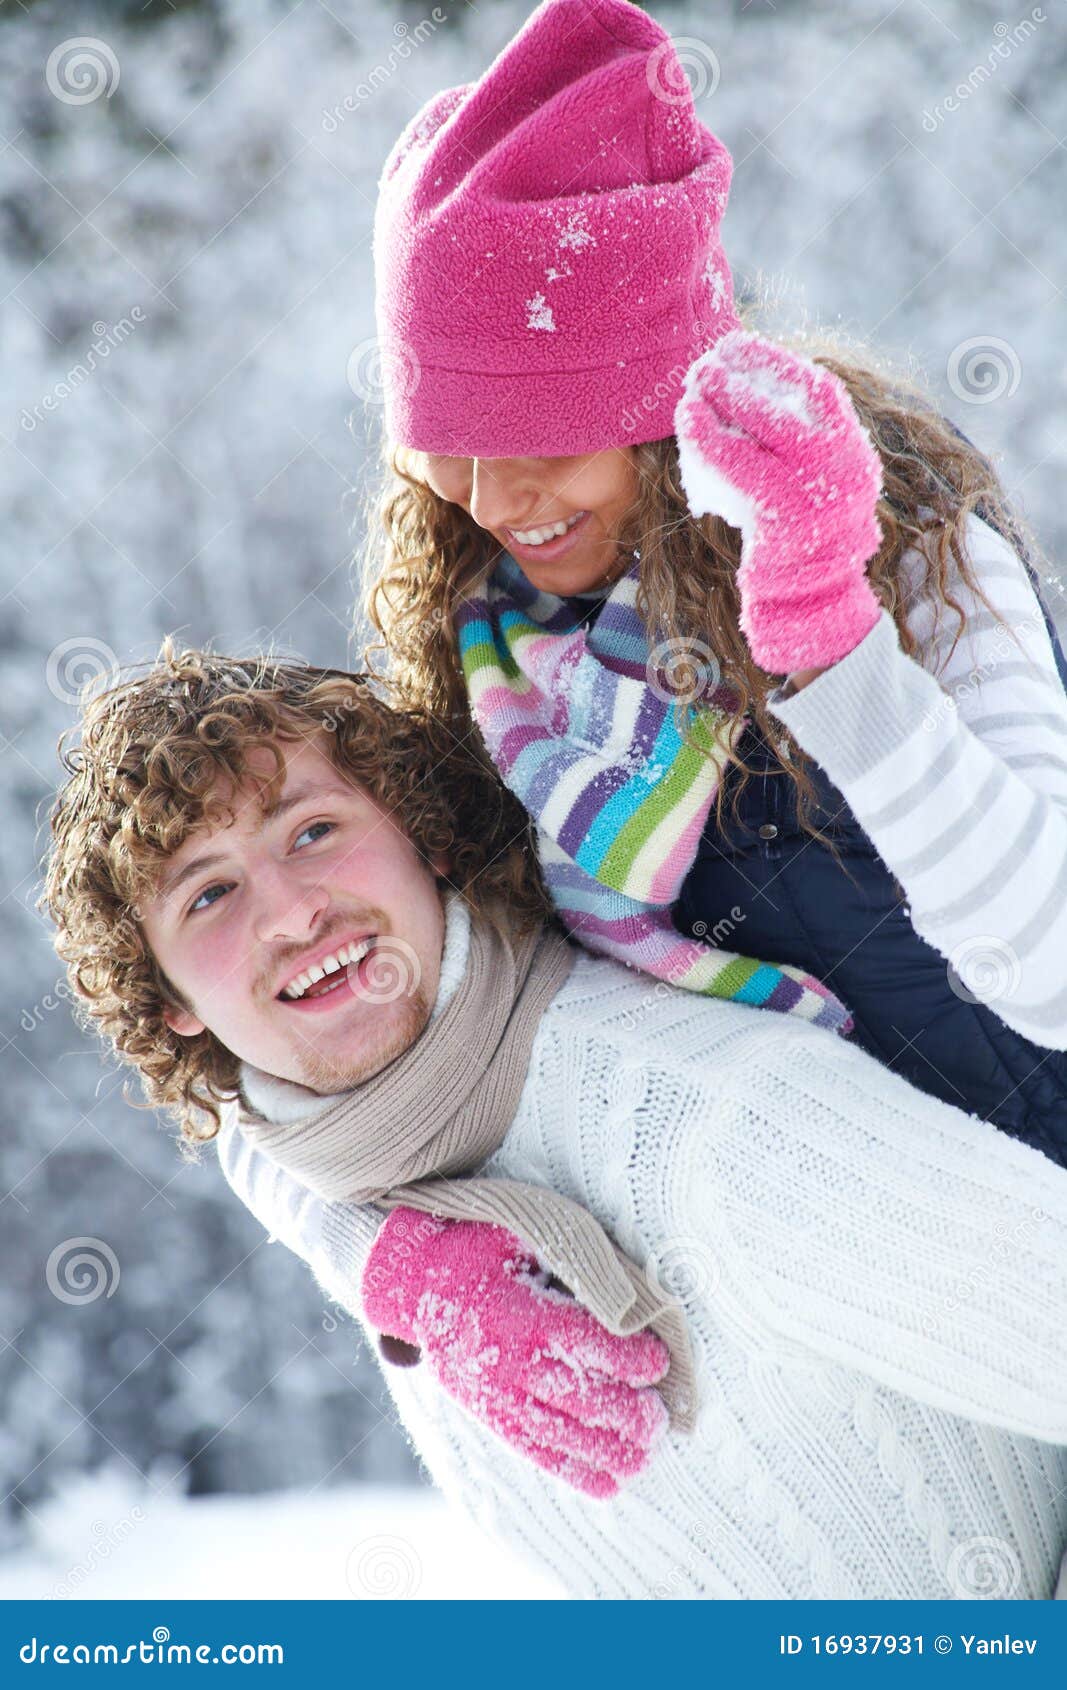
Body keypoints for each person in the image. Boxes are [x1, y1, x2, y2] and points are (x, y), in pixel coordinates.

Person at [45, 648, 1067, 1599]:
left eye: (312, 831)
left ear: (420, 833)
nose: (289, 912)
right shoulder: (375, 1187)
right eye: (210, 893)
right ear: (169, 996)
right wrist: (380, 1262)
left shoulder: (712, 1127)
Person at [363, 0, 1067, 1155]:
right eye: (445, 450)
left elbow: (1049, 965)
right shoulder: (492, 639)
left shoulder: (905, 541)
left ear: (655, 417)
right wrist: (394, 1239)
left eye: (544, 443)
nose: (491, 504)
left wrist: (835, 652)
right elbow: (296, 975)